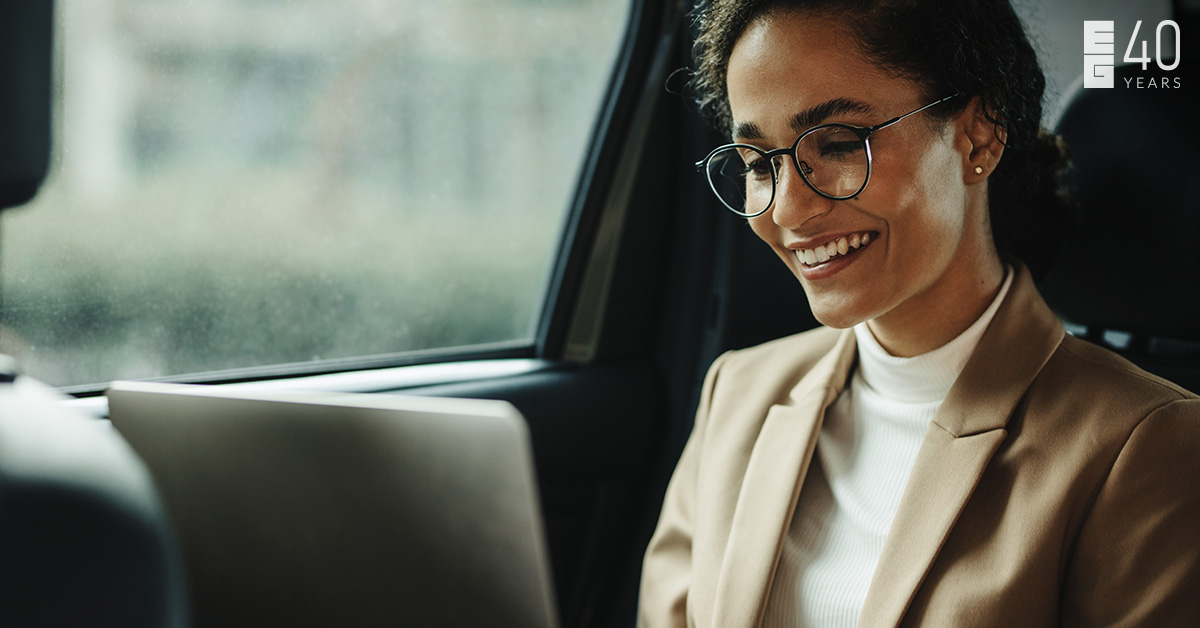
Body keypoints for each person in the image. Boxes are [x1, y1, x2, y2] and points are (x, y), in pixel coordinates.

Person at [637, 0, 1200, 626]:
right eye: (758, 162)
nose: (789, 210)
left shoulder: (1144, 447)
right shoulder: (736, 394)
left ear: (978, 133)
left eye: (839, 143)